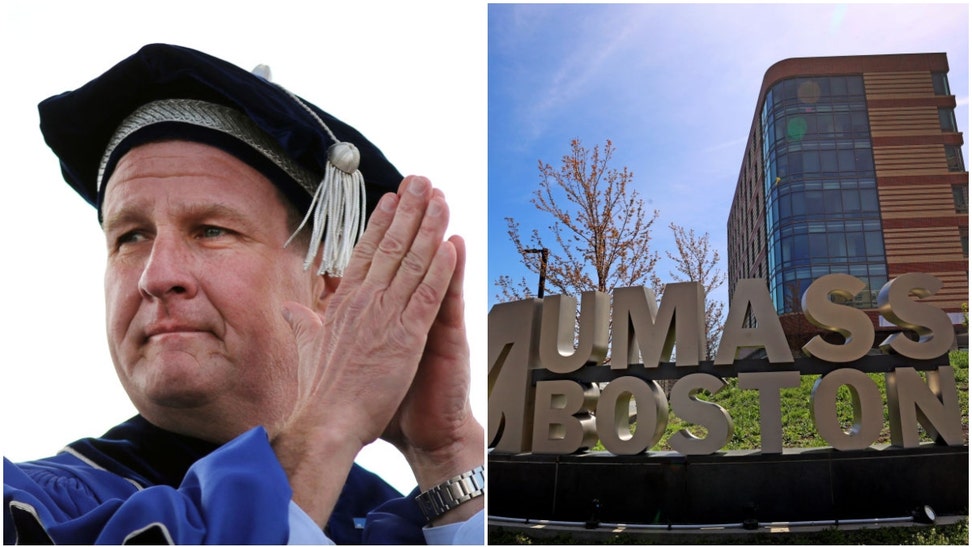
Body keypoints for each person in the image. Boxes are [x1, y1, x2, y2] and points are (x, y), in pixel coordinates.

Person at [3, 43, 484, 545]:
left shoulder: (398, 525)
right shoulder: (30, 508)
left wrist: (447, 454)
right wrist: (318, 442)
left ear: (332, 288)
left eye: (210, 230)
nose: (155, 274)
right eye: (130, 237)